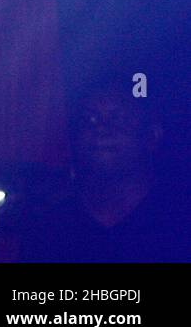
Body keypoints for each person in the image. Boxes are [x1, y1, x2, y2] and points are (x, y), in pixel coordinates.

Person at [16, 76, 191, 262]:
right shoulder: (47, 219)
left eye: (118, 119)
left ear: (152, 135)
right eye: (90, 119)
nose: (102, 129)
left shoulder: (179, 217)